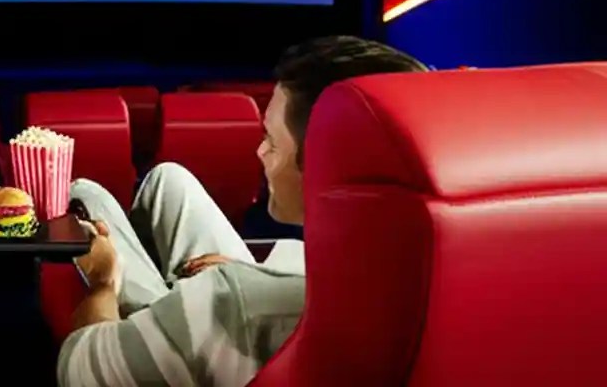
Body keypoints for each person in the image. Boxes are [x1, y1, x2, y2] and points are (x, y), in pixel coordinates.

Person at [58, 36, 427, 387]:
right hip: (244, 303)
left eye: (271, 140)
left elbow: (76, 368)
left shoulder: (237, 307)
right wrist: (250, 272)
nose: (260, 152)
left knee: (83, 195)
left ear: (325, 166)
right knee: (170, 179)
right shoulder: (433, 283)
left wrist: (105, 282)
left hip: (220, 325)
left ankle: (154, 327)